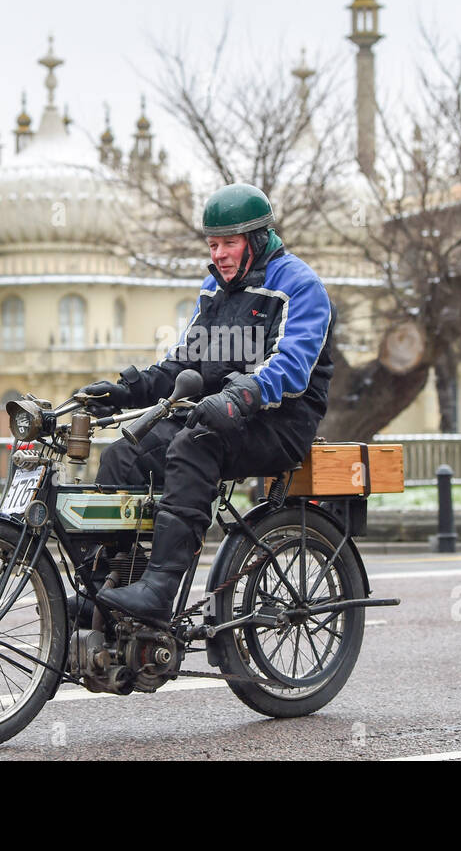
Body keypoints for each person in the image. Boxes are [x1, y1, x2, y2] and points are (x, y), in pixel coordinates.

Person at [79, 182, 335, 626]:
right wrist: (129, 390)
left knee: (194, 446)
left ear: (256, 240)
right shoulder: (215, 290)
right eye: (213, 244)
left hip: (279, 422)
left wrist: (241, 397)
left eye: (229, 243)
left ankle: (159, 592)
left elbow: (292, 367)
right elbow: (182, 364)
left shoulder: (299, 285)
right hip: (218, 414)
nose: (218, 254)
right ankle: (110, 587)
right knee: (124, 456)